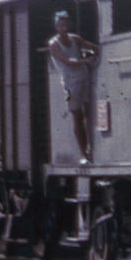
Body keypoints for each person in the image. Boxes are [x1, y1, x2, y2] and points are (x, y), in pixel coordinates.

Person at [45, 11, 99, 163]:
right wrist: (86, 61)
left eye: (66, 25)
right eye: (61, 25)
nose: (64, 28)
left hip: (83, 77)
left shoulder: (75, 38)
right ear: (56, 27)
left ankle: (92, 148)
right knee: (77, 115)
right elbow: (67, 61)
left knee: (89, 112)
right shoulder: (53, 44)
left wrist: (94, 51)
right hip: (69, 84)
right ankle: (83, 154)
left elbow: (93, 47)